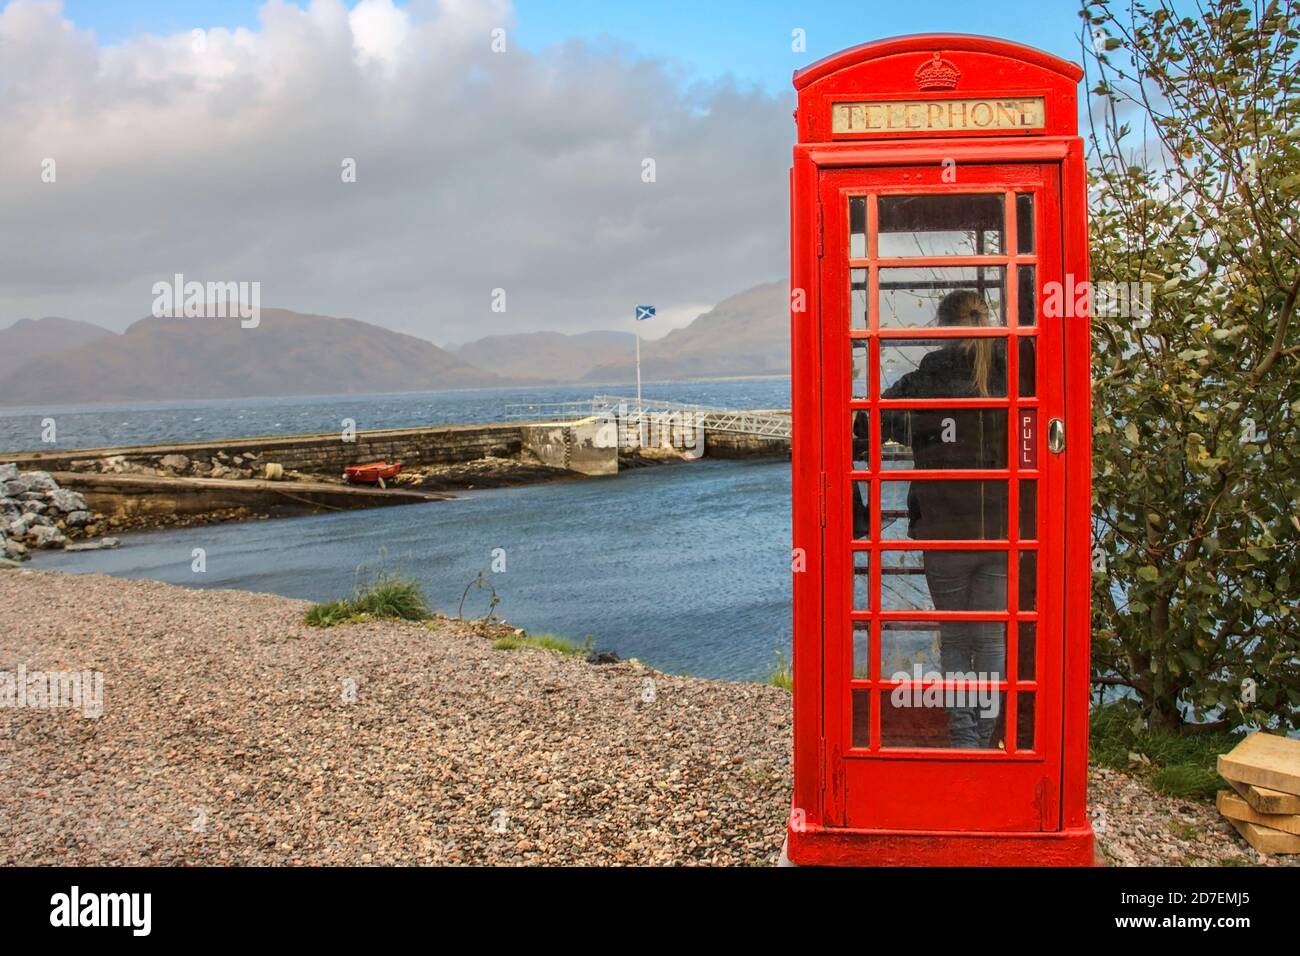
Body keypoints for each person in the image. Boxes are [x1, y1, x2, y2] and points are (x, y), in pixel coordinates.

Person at [855, 289, 1027, 748]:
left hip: (943, 527)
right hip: (998, 526)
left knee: (954, 640)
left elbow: (866, 423)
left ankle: (963, 736)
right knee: (991, 640)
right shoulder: (1011, 367)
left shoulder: (929, 373)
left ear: (940, 324)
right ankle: (990, 735)